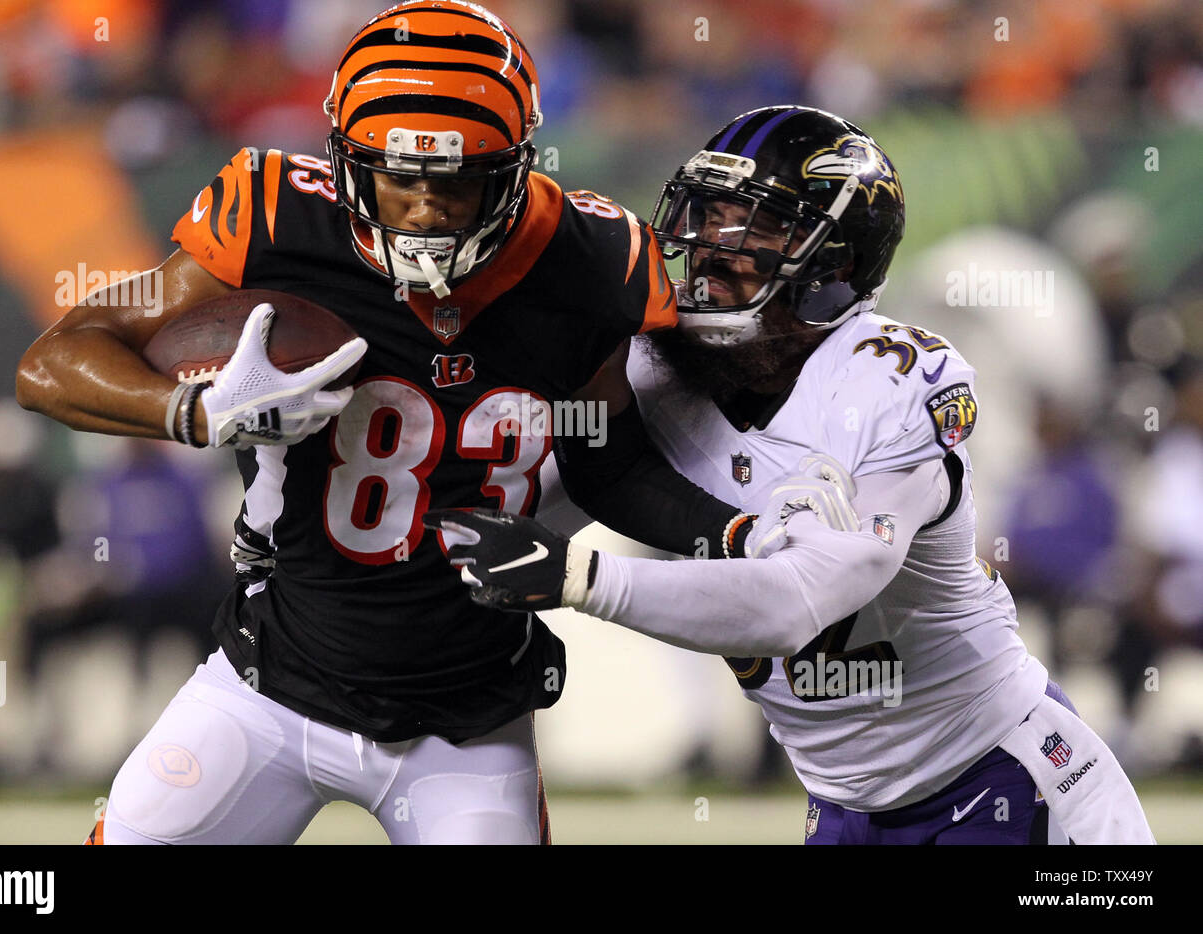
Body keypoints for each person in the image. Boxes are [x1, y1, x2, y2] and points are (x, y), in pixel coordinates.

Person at [15, 1, 754, 845]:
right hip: (271, 684)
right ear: (344, 159)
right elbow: (50, 364)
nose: (426, 210)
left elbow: (610, 461)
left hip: (467, 720)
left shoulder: (587, 259)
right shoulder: (276, 220)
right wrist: (194, 410)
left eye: (459, 180)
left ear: (518, 166)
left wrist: (741, 535)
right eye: (401, 178)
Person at [427, 105, 1156, 844]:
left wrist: (583, 581)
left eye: (755, 226)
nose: (713, 246)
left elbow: (797, 604)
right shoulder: (652, 372)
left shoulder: (890, 383)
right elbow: (516, 520)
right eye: (708, 215)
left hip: (1001, 776)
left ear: (835, 265)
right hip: (840, 804)